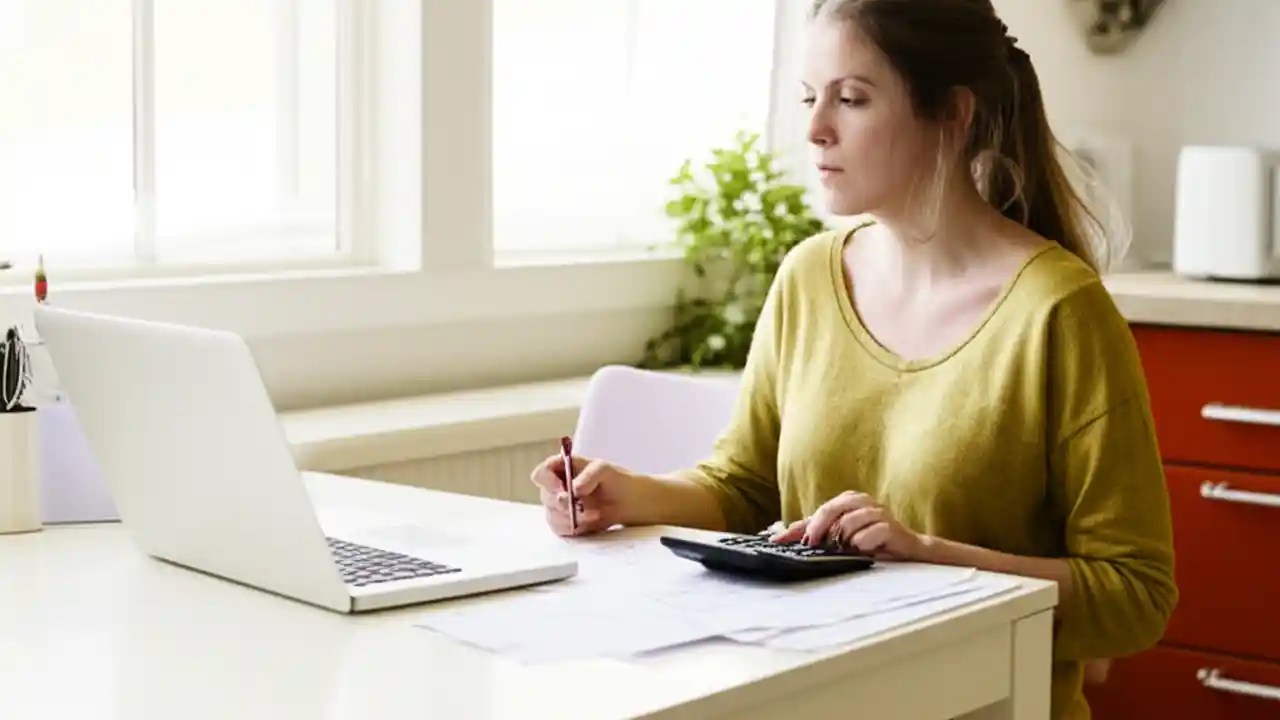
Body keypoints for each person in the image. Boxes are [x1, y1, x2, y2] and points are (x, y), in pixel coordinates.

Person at [529, 1, 1176, 717]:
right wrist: (630, 495)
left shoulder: (1060, 312)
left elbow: (1136, 597)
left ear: (953, 112)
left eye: (852, 98)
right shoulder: (808, 276)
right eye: (810, 97)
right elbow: (746, 487)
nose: (815, 129)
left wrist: (928, 553)